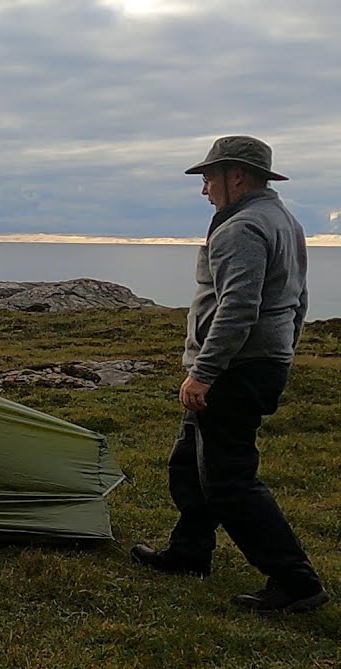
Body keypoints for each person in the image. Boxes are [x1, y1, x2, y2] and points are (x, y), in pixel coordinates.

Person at [130, 135, 328, 613]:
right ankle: (189, 551)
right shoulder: (285, 221)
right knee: (189, 463)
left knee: (229, 480)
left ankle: (296, 581)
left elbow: (238, 308)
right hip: (258, 362)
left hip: (234, 370)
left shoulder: (242, 228)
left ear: (235, 175)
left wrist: (205, 372)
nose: (204, 190)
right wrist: (283, 352)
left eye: (207, 178)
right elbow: (297, 300)